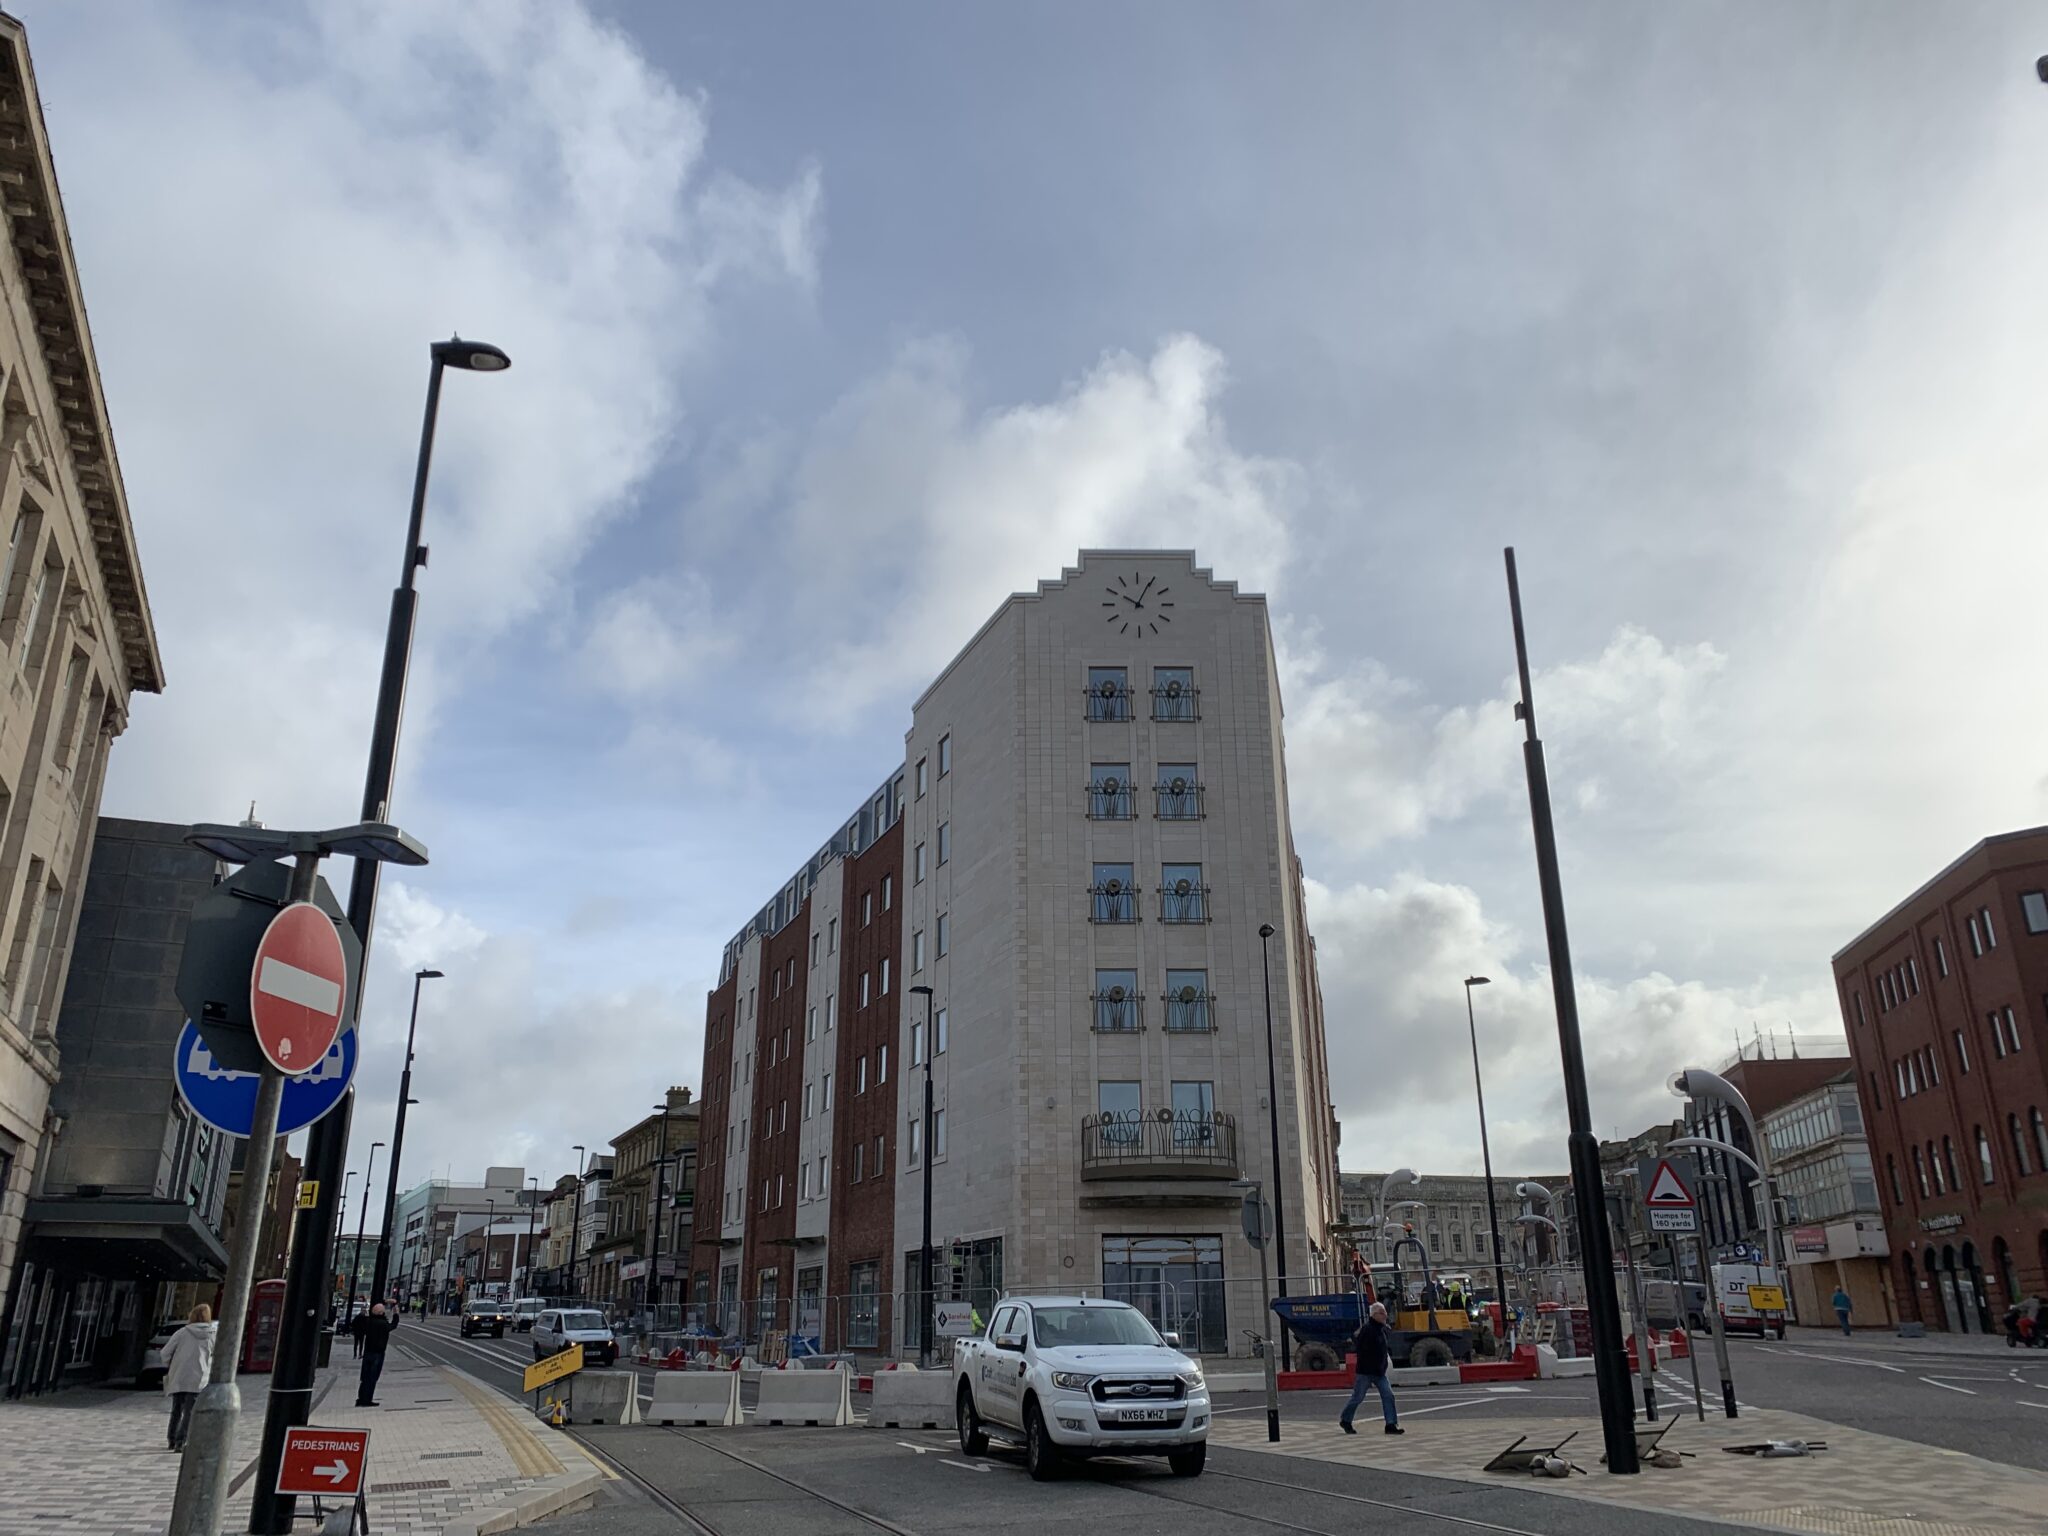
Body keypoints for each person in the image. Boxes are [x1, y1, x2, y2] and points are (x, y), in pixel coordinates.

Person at [1339, 1300, 1402, 1435]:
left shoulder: (1381, 1329)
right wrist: (1372, 1364)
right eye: (1382, 1313)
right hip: (1366, 1371)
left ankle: (1391, 1424)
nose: (1385, 1315)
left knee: (1388, 1395)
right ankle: (1346, 1419)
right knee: (1358, 1397)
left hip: (1379, 1372)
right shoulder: (1367, 1330)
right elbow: (1362, 1350)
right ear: (1374, 1315)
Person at [160, 1304, 217, 1453]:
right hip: (199, 1377)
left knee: (176, 1409)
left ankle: (172, 1439)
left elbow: (165, 1353)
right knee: (189, 1411)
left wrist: (170, 1365)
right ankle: (181, 1441)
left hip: (180, 1375)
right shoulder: (213, 1334)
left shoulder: (182, 1333)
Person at [356, 1300, 398, 1407]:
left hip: (368, 1352)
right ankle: (367, 1400)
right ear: (381, 1313)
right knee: (372, 1378)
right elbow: (393, 1325)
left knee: (365, 1377)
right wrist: (396, 1314)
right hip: (378, 1353)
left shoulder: (369, 1321)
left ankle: (361, 1399)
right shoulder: (383, 1324)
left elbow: (358, 1323)